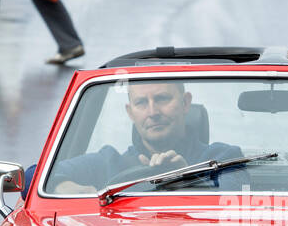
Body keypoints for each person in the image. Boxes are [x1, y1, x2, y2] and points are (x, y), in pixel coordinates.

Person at [46, 81, 244, 194]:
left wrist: (187, 179)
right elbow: (34, 176)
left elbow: (230, 202)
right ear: (130, 112)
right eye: (141, 102)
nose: (152, 112)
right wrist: (62, 186)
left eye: (162, 99)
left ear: (185, 103)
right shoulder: (107, 162)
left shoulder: (223, 158)